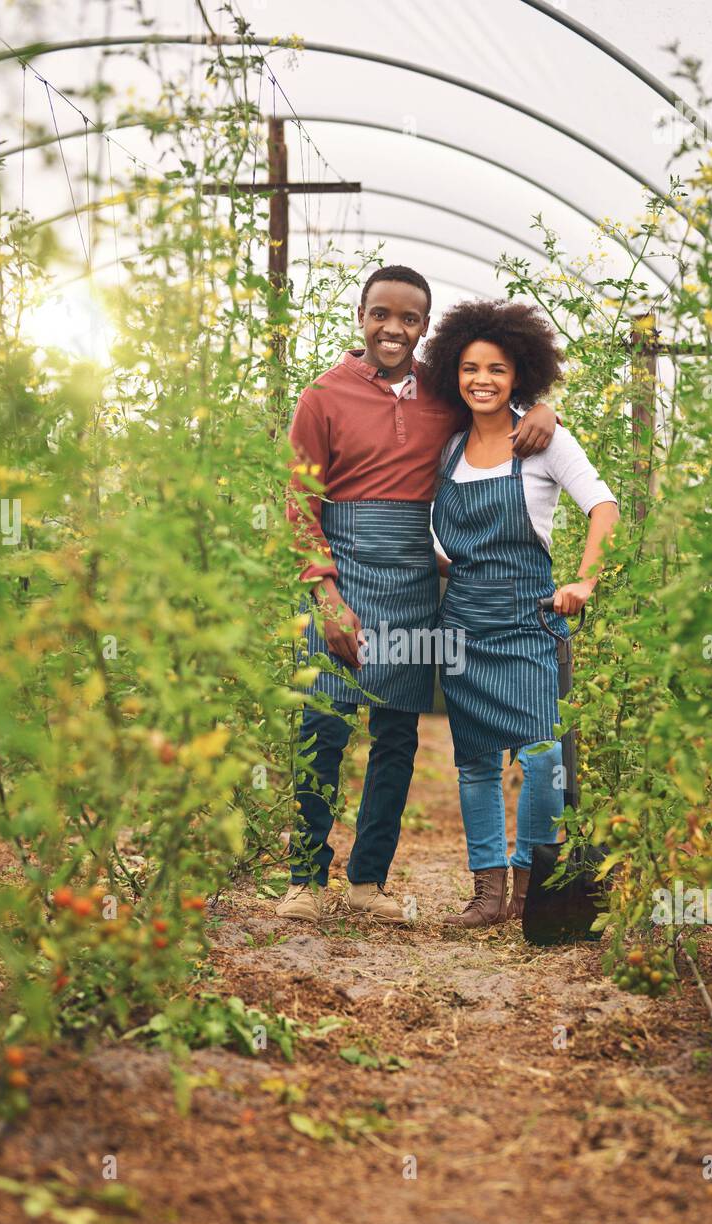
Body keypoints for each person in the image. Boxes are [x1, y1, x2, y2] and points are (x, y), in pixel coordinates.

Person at [277, 268, 559, 923]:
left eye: (408, 319)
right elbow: (298, 501)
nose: (393, 329)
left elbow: (502, 406)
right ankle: (303, 880)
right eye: (381, 314)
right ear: (360, 316)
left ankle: (367, 884)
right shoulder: (321, 396)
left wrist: (544, 408)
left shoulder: (441, 395)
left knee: (395, 733)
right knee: (322, 722)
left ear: (425, 327)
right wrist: (323, 594)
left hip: (410, 582)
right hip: (338, 573)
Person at [424, 299, 619, 927]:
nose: (482, 379)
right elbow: (434, 541)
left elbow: (605, 508)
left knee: (543, 757)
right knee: (474, 761)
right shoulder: (447, 451)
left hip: (531, 620)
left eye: (498, 369)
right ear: (454, 374)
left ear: (520, 375)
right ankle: (487, 893)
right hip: (463, 624)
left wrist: (583, 581)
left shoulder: (542, 438)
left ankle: (532, 881)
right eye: (470, 368)